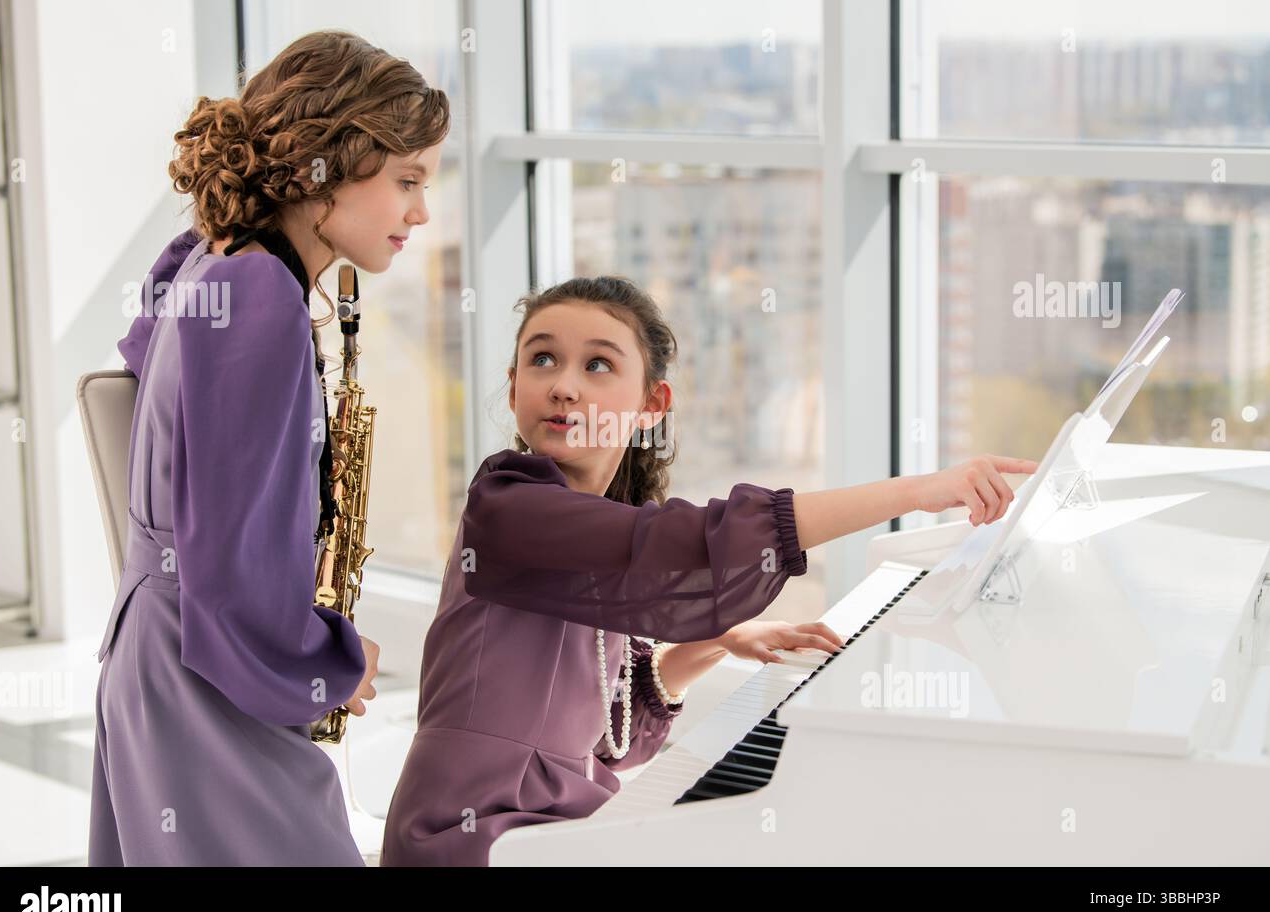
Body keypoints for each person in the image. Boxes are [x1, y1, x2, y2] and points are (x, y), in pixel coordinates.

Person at [380, 276, 1038, 866]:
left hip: (558, 831)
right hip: (470, 839)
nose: (563, 383)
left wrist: (719, 641)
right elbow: (686, 540)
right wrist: (915, 492)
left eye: (598, 364)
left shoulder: (601, 534)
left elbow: (619, 743)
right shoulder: (509, 505)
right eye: (542, 358)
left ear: (651, 403)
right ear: (515, 382)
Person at [88, 30, 449, 866]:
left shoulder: (209, 260)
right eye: (407, 181)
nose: (420, 213)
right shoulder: (257, 293)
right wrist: (330, 661)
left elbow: (144, 353)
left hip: (161, 658)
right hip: (206, 677)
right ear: (329, 165)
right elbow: (236, 562)